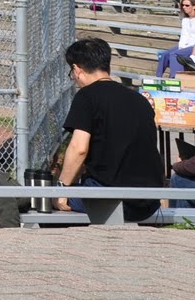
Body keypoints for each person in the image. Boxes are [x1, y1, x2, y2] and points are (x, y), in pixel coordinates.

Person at [56, 37, 162, 220]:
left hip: (112, 198)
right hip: (148, 201)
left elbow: (79, 149)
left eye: (71, 73)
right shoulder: (140, 100)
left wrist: (61, 189)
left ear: (77, 69)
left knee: (50, 204)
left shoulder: (87, 97)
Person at [155, 0, 195, 77]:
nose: (184, 7)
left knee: (175, 55)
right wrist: (181, 47)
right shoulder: (185, 20)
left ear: (194, 6)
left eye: (187, 5)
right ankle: (157, 78)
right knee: (164, 55)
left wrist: (193, 55)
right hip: (185, 45)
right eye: (183, 5)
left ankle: (176, 80)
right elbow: (184, 36)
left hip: (193, 46)